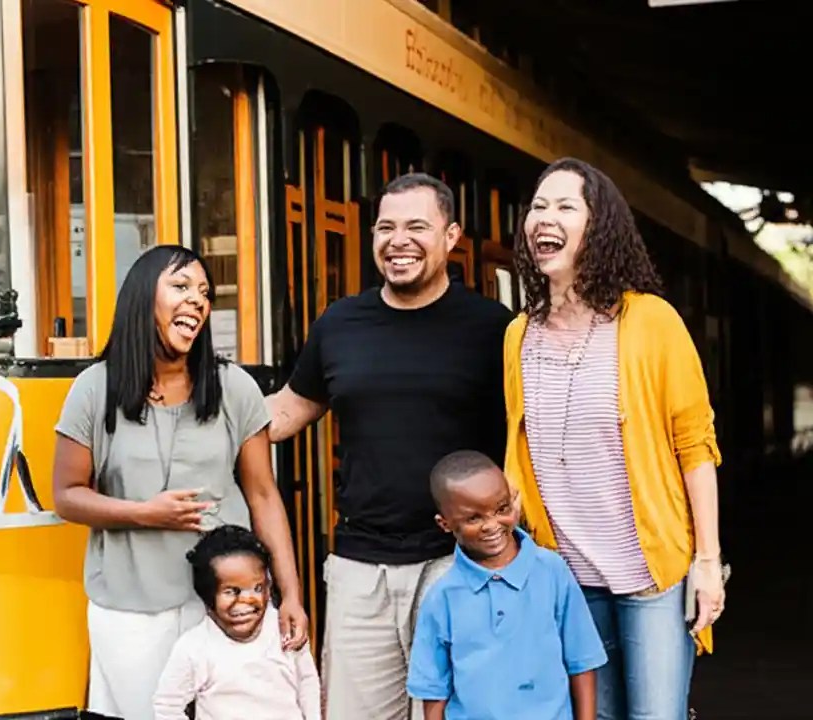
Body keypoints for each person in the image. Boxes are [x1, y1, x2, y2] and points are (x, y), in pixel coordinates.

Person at [266, 172, 513, 719]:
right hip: (361, 566)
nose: (398, 240)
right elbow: (284, 411)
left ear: (451, 237)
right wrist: (189, 410)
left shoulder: (494, 328)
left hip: (462, 562)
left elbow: (530, 434)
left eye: (416, 227)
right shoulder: (340, 322)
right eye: (385, 227)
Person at [503, 156, 726, 719]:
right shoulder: (517, 336)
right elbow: (519, 455)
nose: (543, 218)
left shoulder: (651, 323)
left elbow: (695, 448)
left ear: (598, 228)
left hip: (650, 573)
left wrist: (707, 561)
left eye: (564, 206)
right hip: (569, 577)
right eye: (537, 206)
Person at [53, 245, 308, 720]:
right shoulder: (93, 389)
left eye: (205, 293)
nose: (197, 301)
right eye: (181, 286)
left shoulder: (233, 387)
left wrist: (289, 593)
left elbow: (263, 496)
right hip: (130, 610)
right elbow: (67, 495)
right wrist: (144, 514)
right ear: (141, 297)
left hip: (222, 603)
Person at [407, 450, 607, 720]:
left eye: (501, 509)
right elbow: (433, 691)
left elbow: (582, 661)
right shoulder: (441, 598)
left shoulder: (552, 572)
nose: (492, 525)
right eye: (473, 518)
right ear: (445, 524)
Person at [152, 525, 321, 720]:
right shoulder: (194, 647)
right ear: (207, 598)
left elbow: (307, 681)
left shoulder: (285, 630)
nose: (247, 600)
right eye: (232, 591)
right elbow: (167, 706)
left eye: (257, 588)